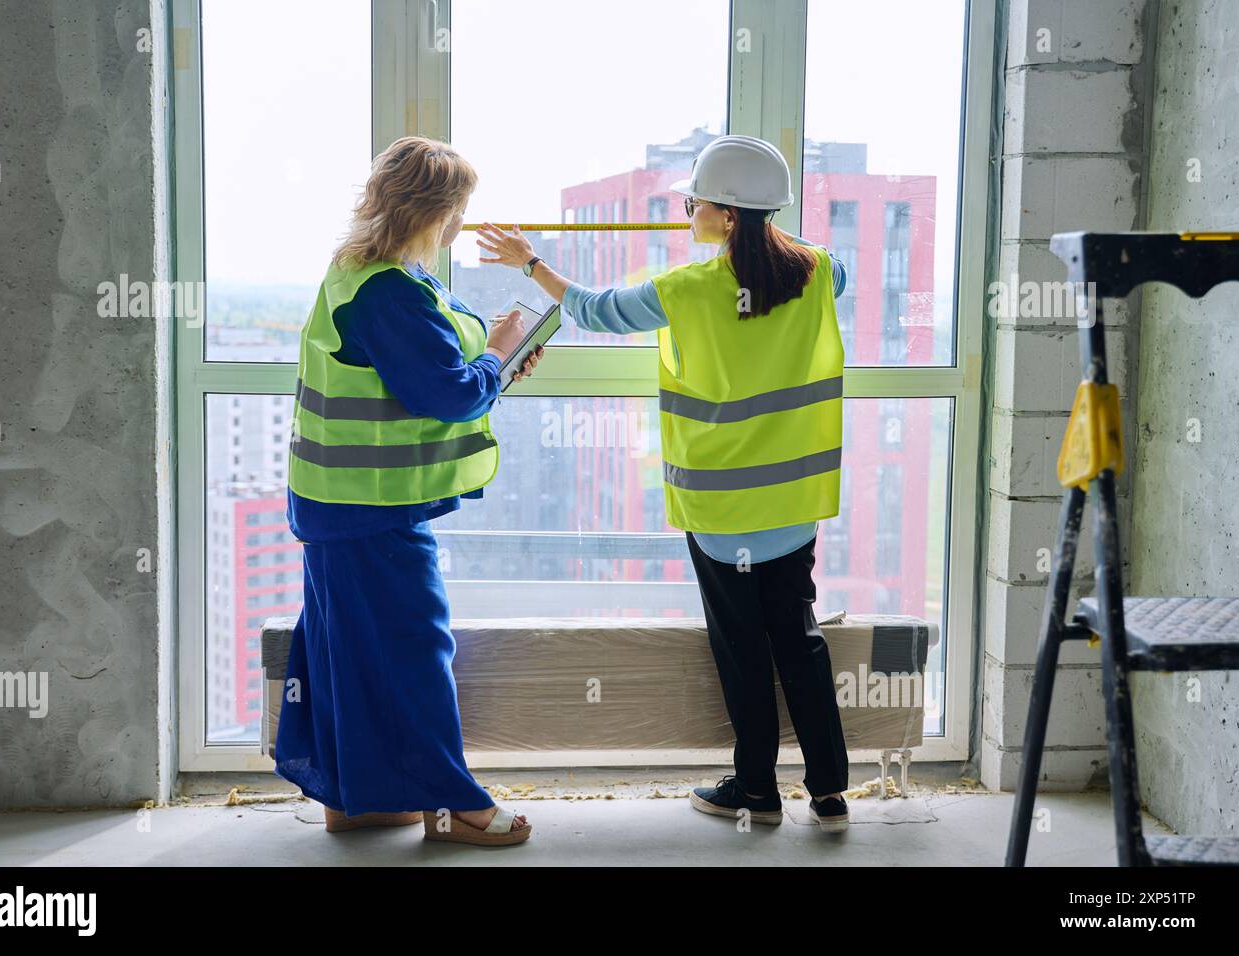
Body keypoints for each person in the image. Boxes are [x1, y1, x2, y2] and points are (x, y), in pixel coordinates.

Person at [476, 134, 852, 833]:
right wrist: (766, 223)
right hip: (793, 505)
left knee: (742, 649)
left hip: (720, 512)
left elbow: (592, 309)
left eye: (696, 202)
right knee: (798, 640)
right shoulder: (821, 271)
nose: (685, 210)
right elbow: (830, 268)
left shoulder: (686, 290)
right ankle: (830, 793)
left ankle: (757, 792)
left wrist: (530, 261)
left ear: (728, 214)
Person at [274, 135, 543, 848]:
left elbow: (421, 377)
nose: (460, 223)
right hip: (369, 511)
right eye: (458, 209)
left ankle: (360, 801)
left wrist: (499, 368)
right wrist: (495, 356)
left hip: (341, 502)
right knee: (417, 652)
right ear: (436, 209)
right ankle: (458, 808)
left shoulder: (363, 270)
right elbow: (448, 393)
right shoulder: (392, 289)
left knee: (350, 651)